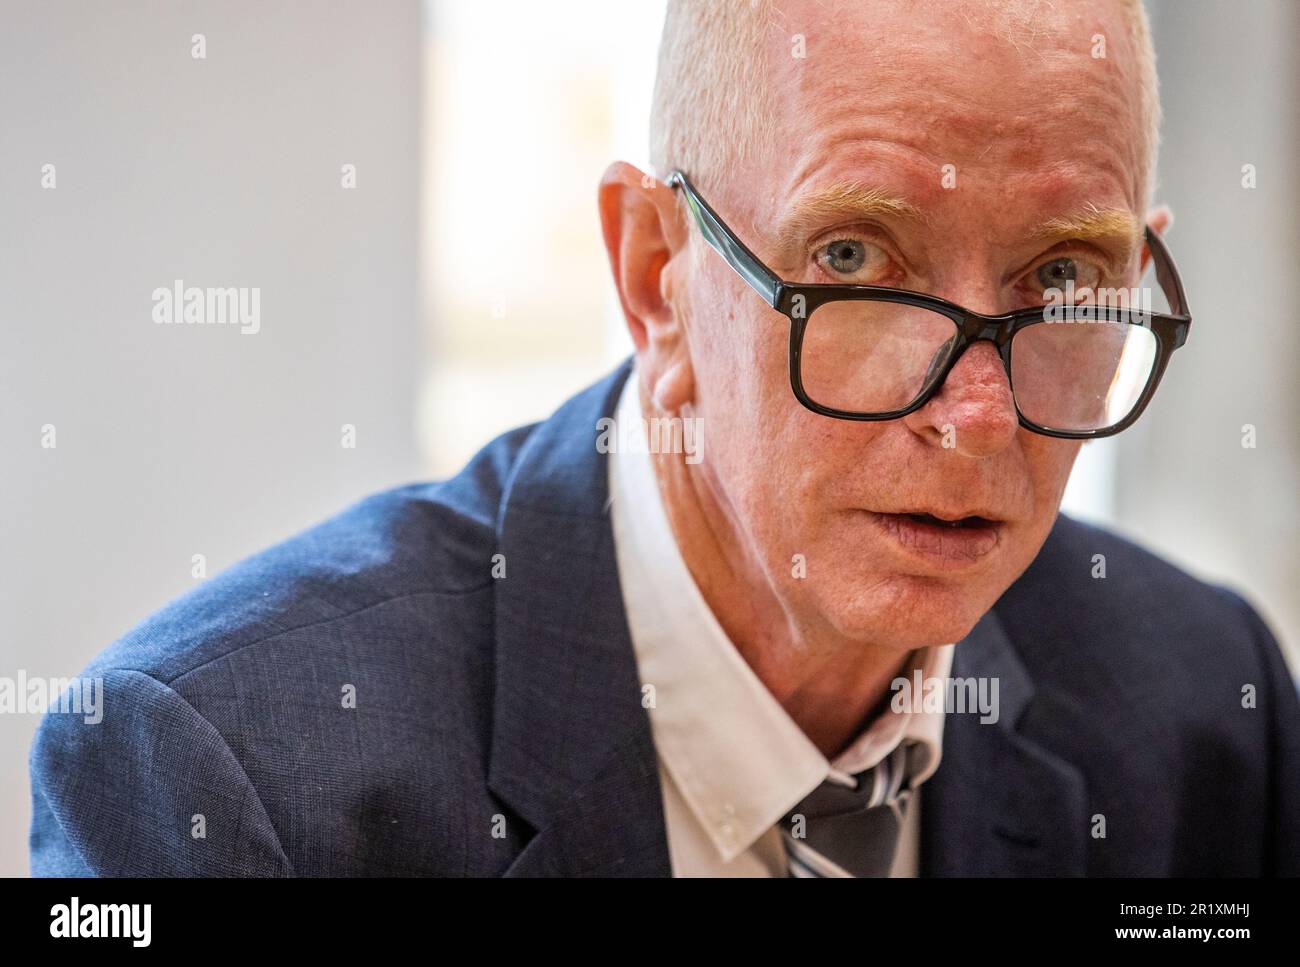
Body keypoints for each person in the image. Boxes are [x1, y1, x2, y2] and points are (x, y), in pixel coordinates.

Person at [30, 0, 1298, 877]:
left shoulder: (1202, 710)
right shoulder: (222, 770)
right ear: (656, 276)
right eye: (853, 256)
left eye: (1064, 275)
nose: (972, 417)